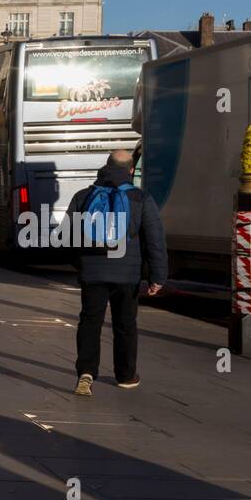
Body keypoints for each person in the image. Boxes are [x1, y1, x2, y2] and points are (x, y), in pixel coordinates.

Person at [66, 149, 167, 396]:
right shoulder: (141, 198)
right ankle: (125, 375)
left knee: (90, 321)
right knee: (125, 325)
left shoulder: (84, 196)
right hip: (127, 275)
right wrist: (157, 276)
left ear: (106, 166)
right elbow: (155, 240)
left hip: (93, 272)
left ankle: (86, 372)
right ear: (131, 170)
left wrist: (81, 264)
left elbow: (67, 236)